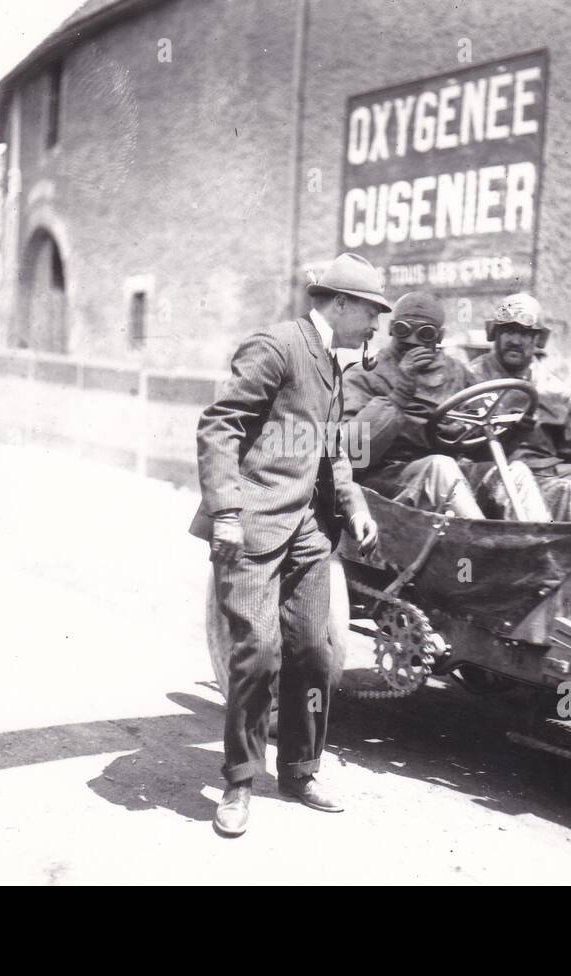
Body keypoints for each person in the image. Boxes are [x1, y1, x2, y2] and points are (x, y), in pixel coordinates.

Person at [192, 251, 380, 838]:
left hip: (309, 529)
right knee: (257, 655)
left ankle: (300, 769)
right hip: (253, 521)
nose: (377, 323)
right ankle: (239, 781)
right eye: (371, 310)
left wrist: (353, 503)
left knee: (315, 652)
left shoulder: (335, 362)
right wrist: (225, 511)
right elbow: (219, 425)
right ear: (341, 303)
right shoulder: (276, 345)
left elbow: (333, 444)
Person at [471, 295, 571, 521]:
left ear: (538, 339)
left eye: (524, 333)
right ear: (495, 333)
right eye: (508, 331)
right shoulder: (470, 378)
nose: (515, 340)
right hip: (495, 478)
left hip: (549, 474)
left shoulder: (554, 389)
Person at [341, 292, 483, 517]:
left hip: (447, 476)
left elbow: (483, 438)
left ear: (439, 337)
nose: (413, 341)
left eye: (425, 333)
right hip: (387, 479)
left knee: (513, 472)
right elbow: (349, 453)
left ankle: (537, 545)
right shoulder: (365, 374)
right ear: (391, 329)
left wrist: (511, 431)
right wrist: (399, 395)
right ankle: (479, 543)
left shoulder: (458, 374)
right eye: (403, 331)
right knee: (440, 466)